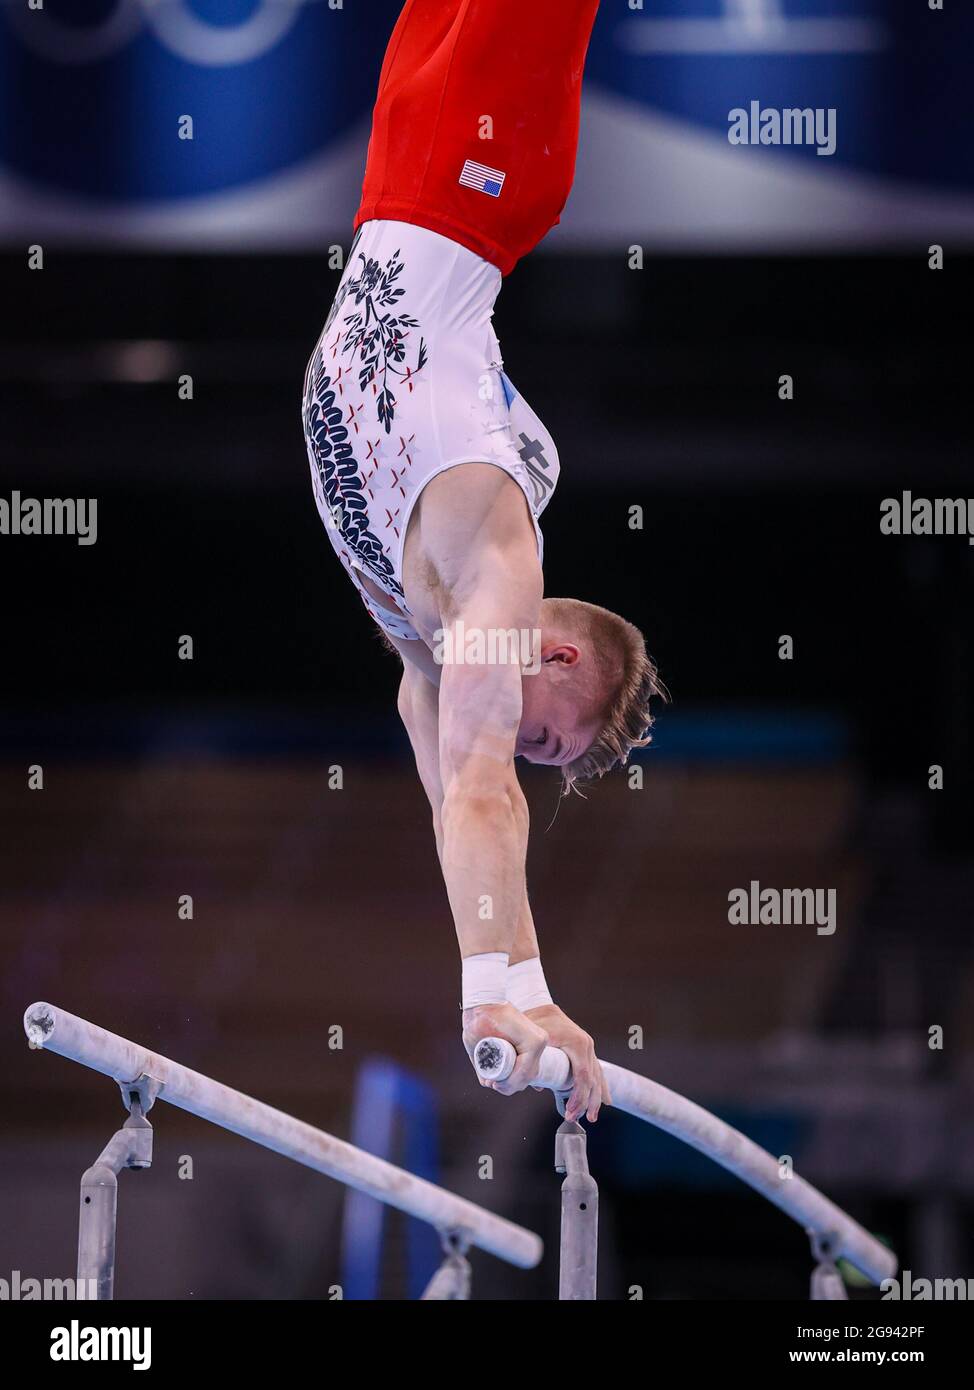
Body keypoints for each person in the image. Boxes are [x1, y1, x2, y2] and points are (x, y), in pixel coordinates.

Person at [302, 0, 663, 1123]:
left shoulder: (428, 648)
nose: (521, 748)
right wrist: (511, 997)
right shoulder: (500, 558)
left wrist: (512, 990)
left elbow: (456, 802)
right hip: (473, 184)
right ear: (555, 654)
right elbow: (486, 787)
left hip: (402, 189)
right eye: (546, 735)